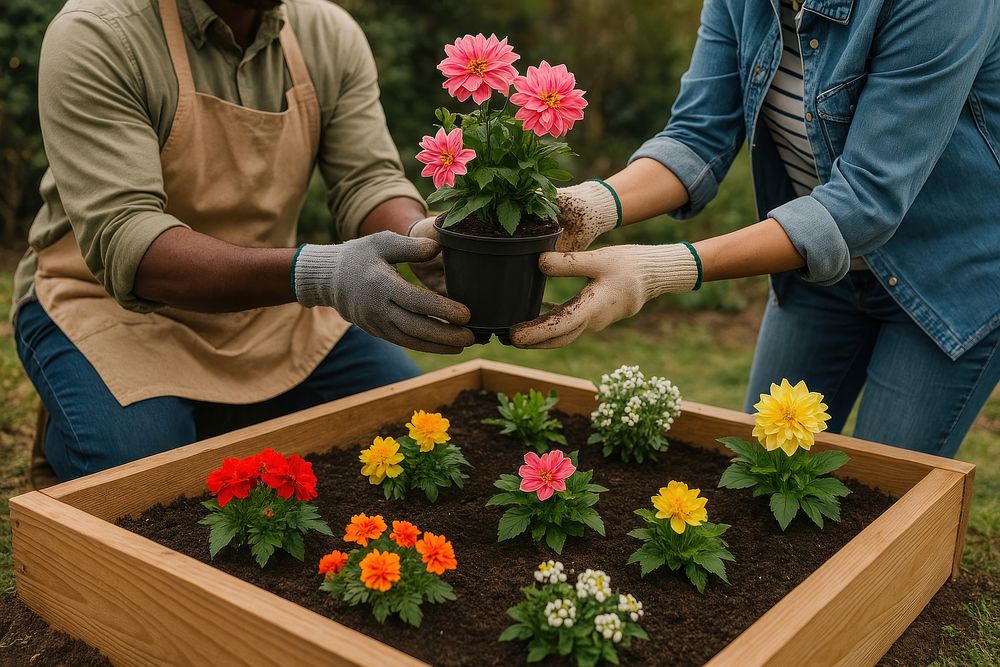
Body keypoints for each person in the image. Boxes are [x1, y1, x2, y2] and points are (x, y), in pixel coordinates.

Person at [511, 0, 1000, 458]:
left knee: (888, 500)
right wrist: (582, 207)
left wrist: (662, 269)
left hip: (946, 279)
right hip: (815, 271)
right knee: (760, 468)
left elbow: (866, 199)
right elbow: (697, 134)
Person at [12, 0, 473, 481]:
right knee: (143, 480)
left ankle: (208, 418)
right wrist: (322, 273)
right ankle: (88, 410)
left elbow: (367, 180)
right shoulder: (100, 33)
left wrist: (423, 239)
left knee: (417, 439)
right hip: (112, 310)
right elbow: (131, 241)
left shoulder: (327, 33)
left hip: (268, 307)